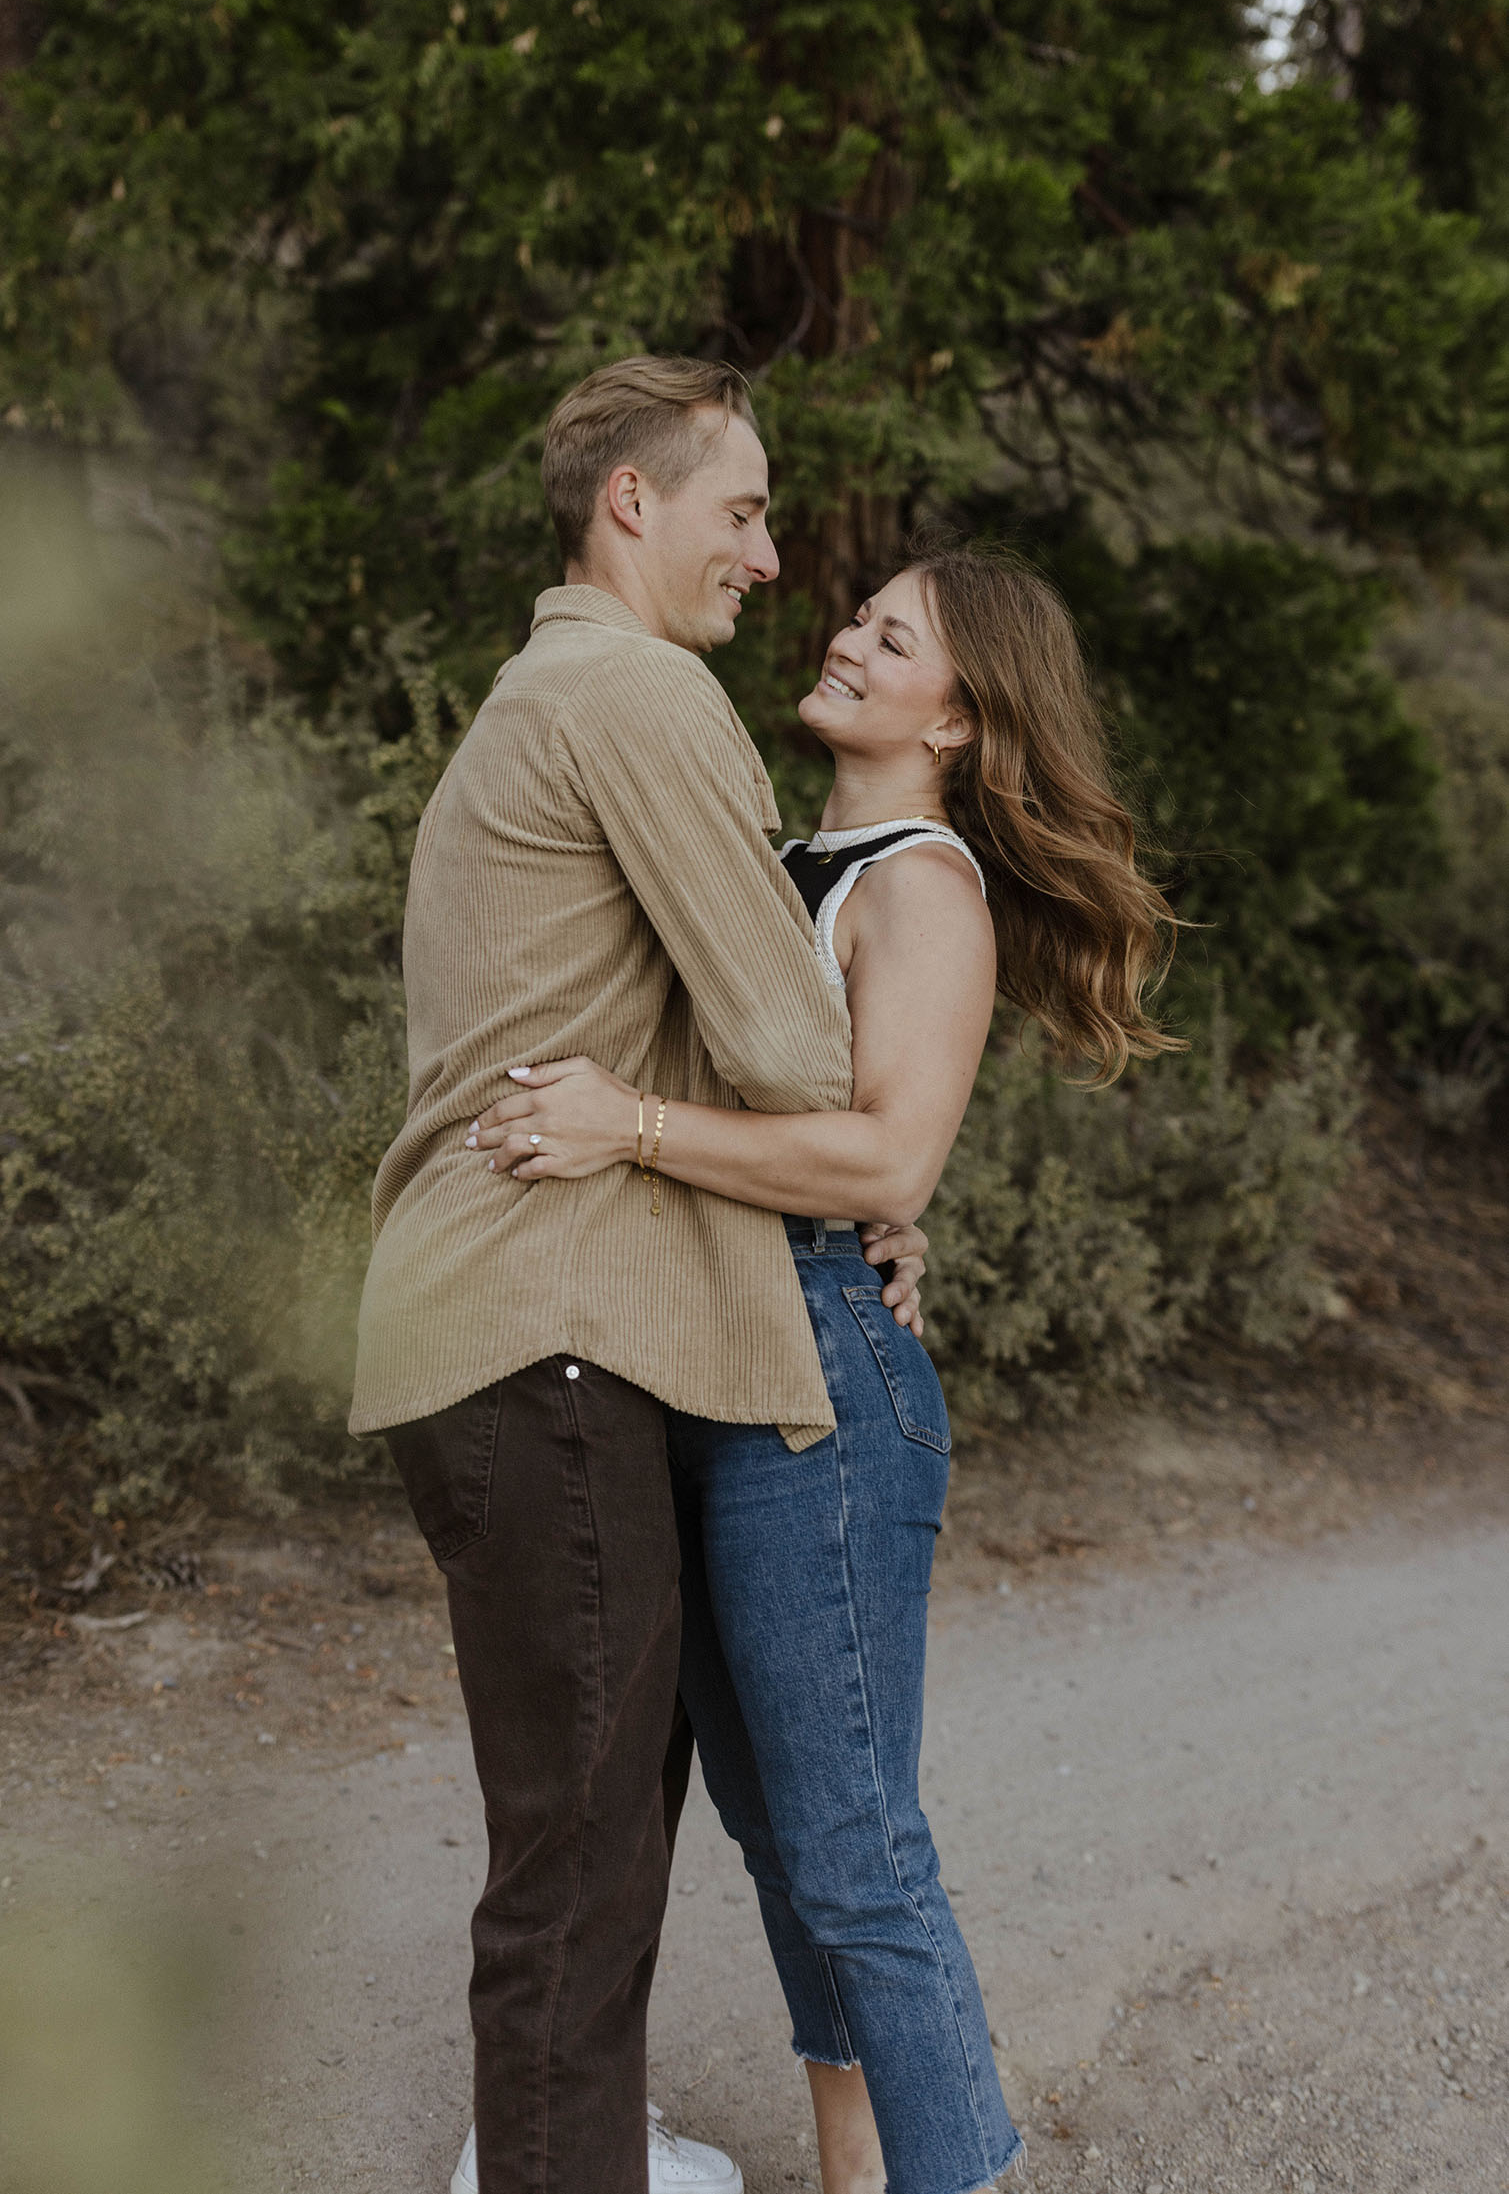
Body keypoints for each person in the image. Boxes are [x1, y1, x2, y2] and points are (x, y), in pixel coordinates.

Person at [468, 542, 1182, 2194]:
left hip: (824, 1404)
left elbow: (883, 1168)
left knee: (858, 1853)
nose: (848, 635)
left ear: (962, 713)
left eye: (895, 633)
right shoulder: (790, 857)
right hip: (712, 1365)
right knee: (785, 1845)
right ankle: (855, 2172)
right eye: (860, 613)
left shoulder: (921, 884)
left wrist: (624, 1126)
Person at [348, 355, 930, 2194]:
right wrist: (878, 1137)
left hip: (509, 1328)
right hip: (552, 1328)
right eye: (742, 510)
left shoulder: (545, 692)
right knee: (583, 1839)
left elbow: (663, 1025)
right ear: (633, 503)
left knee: (591, 1810)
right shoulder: (636, 688)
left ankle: (573, 2143)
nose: (768, 555)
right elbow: (783, 1031)